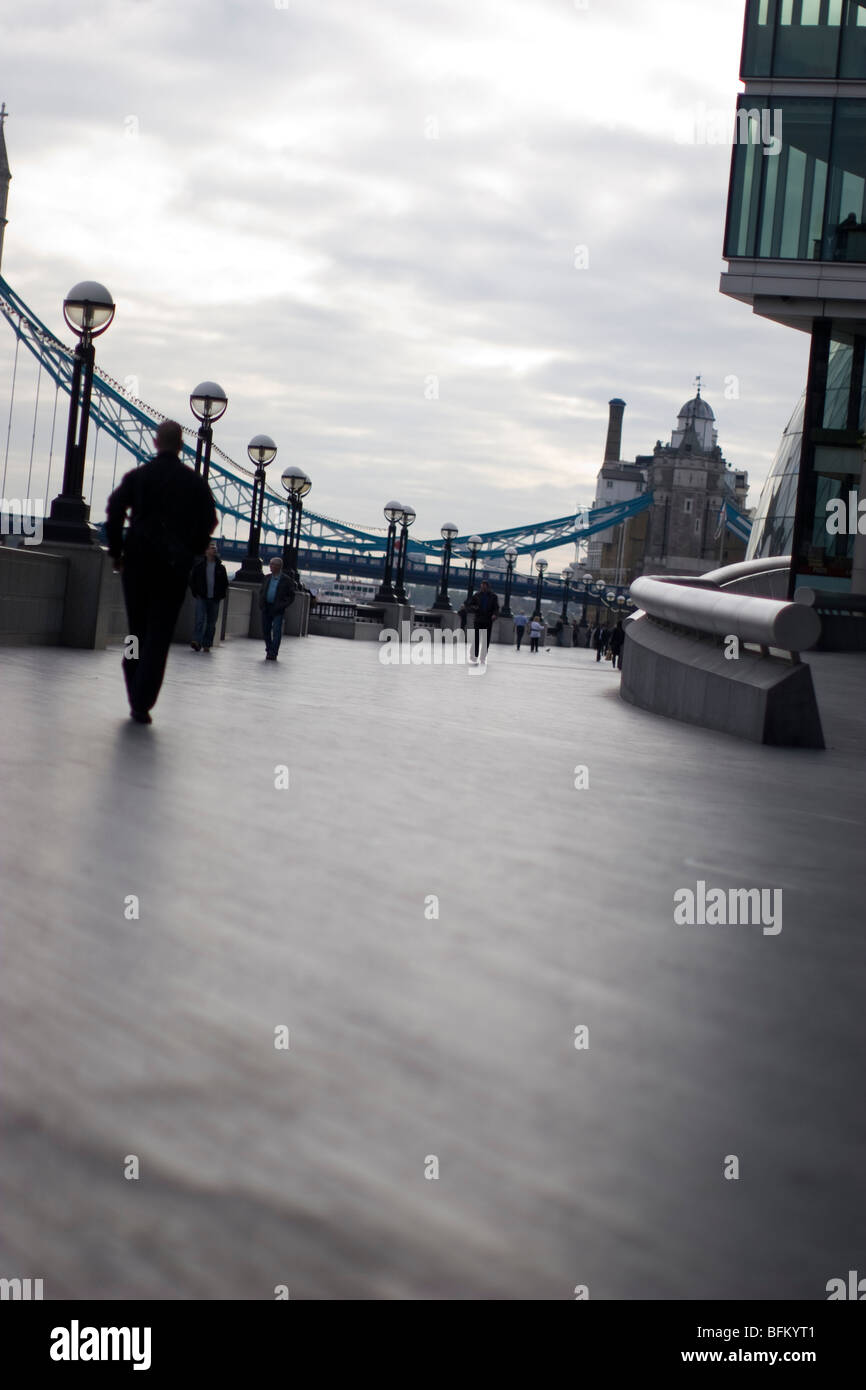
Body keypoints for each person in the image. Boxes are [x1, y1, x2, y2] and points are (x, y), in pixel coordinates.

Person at [106, 420, 217, 724]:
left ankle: (134, 692)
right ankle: (143, 701)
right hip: (172, 569)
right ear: (181, 446)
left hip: (138, 564)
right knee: (159, 636)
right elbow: (210, 520)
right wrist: (189, 550)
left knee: (136, 633)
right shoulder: (194, 483)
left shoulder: (139, 477)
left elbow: (114, 509)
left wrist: (118, 551)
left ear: (155, 443)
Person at [189, 541, 228, 652]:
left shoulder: (221, 568)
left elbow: (224, 583)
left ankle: (207, 643)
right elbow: (192, 580)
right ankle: (196, 641)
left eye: (215, 548)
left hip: (215, 599)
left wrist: (220, 595)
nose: (214, 549)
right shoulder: (199, 566)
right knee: (199, 620)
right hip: (202, 597)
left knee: (211, 623)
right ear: (206, 551)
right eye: (211, 548)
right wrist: (196, 593)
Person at [259, 556, 296, 660]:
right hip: (266, 607)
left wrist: (282, 605)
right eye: (270, 564)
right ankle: (269, 649)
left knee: (276, 631)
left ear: (278, 566)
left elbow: (291, 596)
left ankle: (273, 652)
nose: (270, 566)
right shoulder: (266, 577)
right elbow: (262, 591)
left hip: (278, 609)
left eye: (272, 564)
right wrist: (261, 604)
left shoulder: (287, 580)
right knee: (265, 631)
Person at [468, 579, 499, 663]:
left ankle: (482, 657)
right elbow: (470, 605)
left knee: (486, 640)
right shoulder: (476, 595)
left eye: (485, 587)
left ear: (488, 587)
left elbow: (496, 608)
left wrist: (495, 615)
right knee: (476, 638)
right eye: (482, 586)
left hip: (488, 621)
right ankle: (474, 655)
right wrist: (475, 608)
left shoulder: (493, 596)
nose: (483, 588)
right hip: (478, 620)